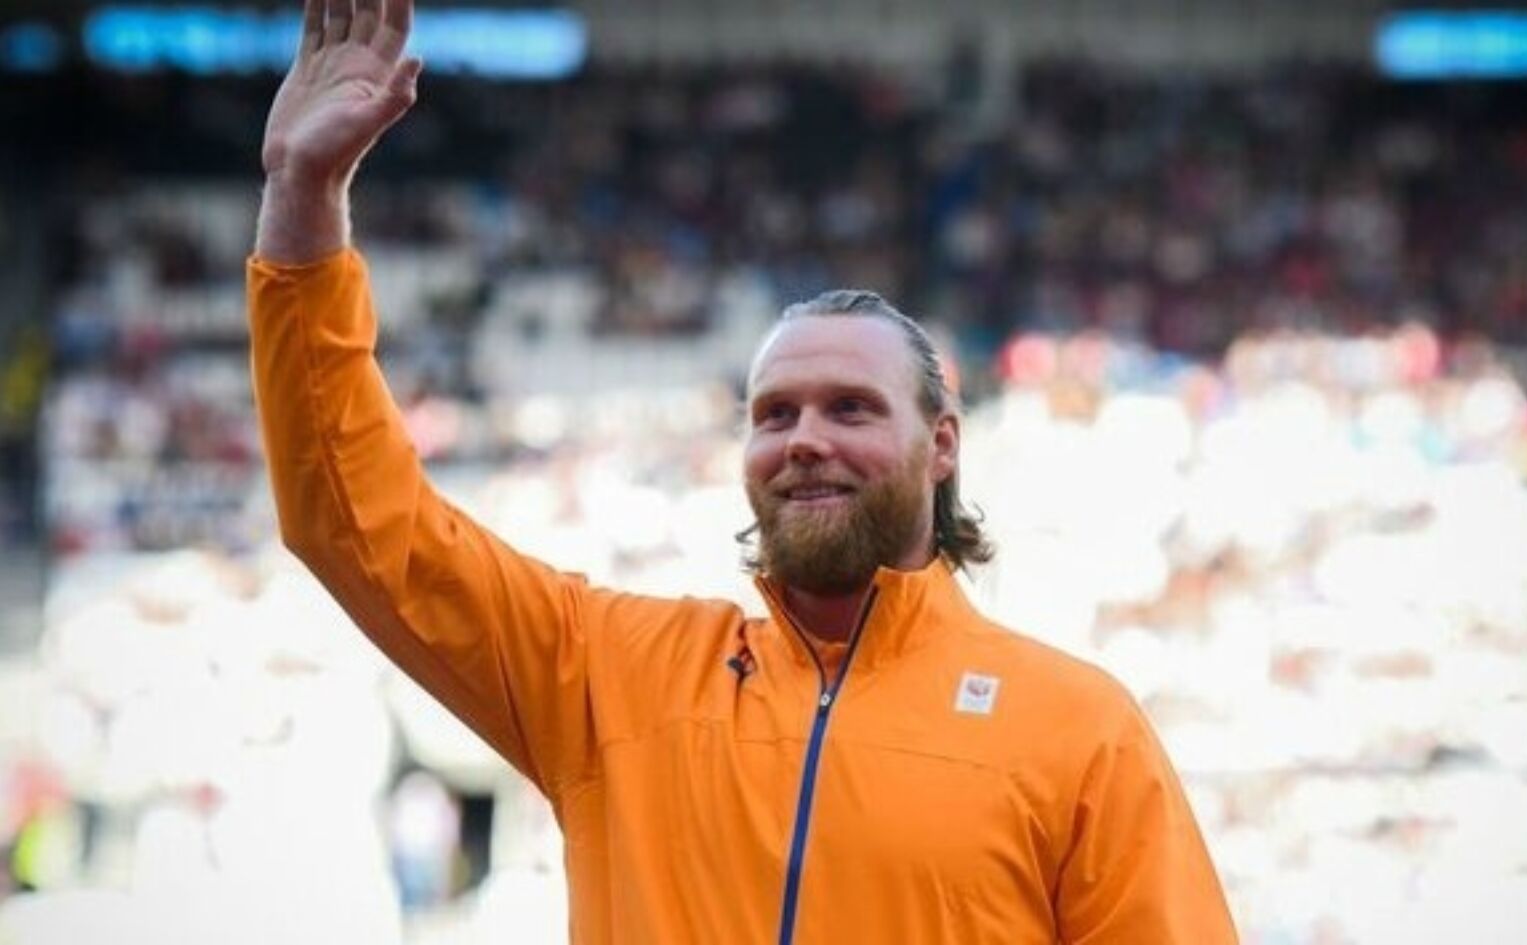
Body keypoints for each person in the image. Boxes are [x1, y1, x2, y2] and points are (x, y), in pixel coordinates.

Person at [247, 0, 1238, 941]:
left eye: (851, 407)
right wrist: (302, 199)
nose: (804, 437)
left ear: (942, 446)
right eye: (774, 414)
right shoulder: (611, 679)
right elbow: (357, 520)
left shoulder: (1078, 729)